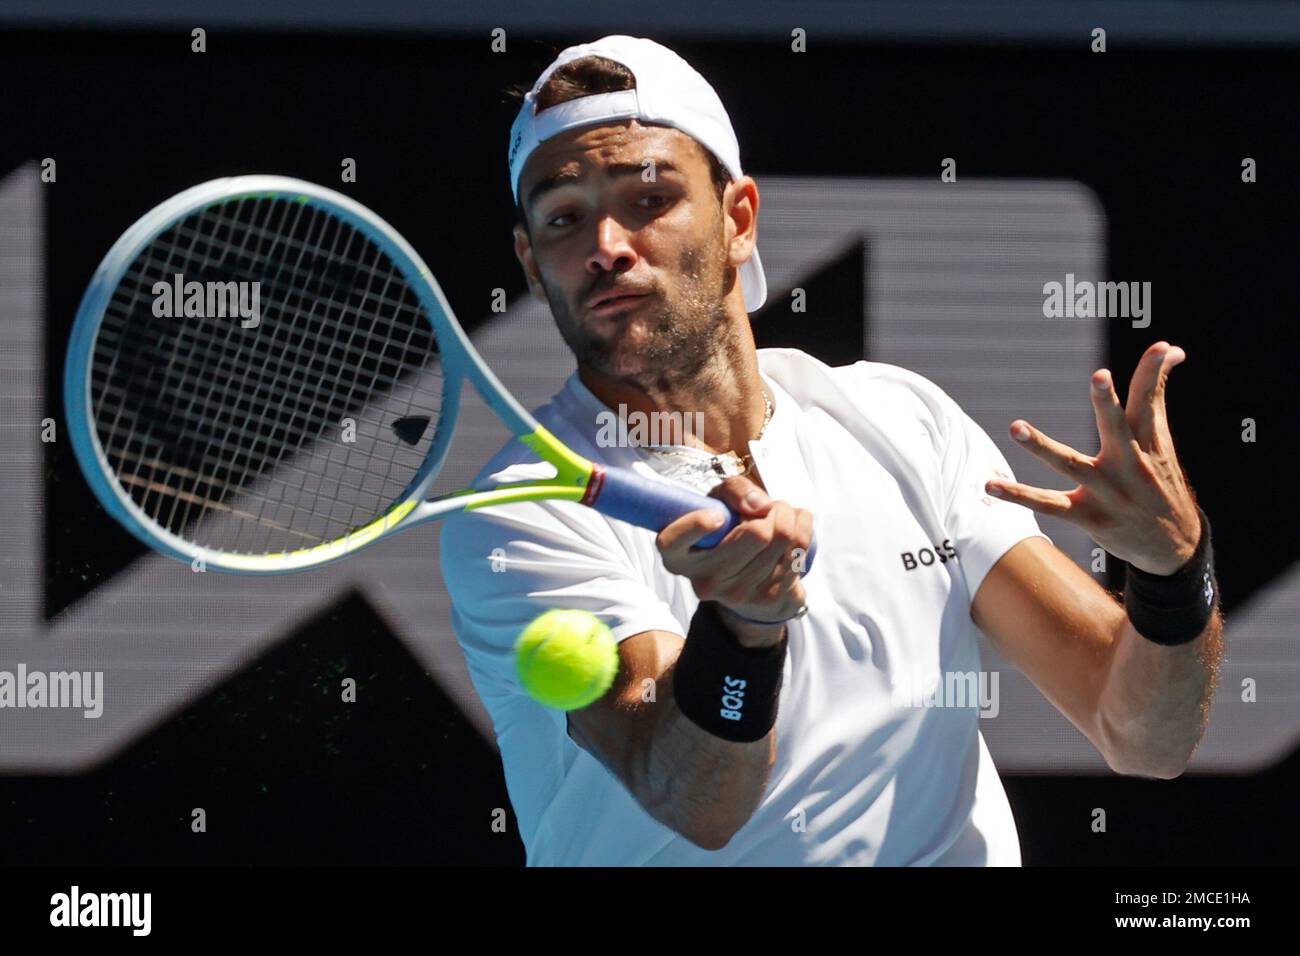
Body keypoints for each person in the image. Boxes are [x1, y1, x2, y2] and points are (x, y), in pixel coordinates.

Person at [439, 35, 1223, 865]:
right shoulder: (524, 510)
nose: (605, 245)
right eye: (563, 218)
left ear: (739, 219)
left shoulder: (899, 419)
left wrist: (1173, 578)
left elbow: (1142, 736)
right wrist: (741, 636)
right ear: (532, 264)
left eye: (647, 198)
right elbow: (697, 802)